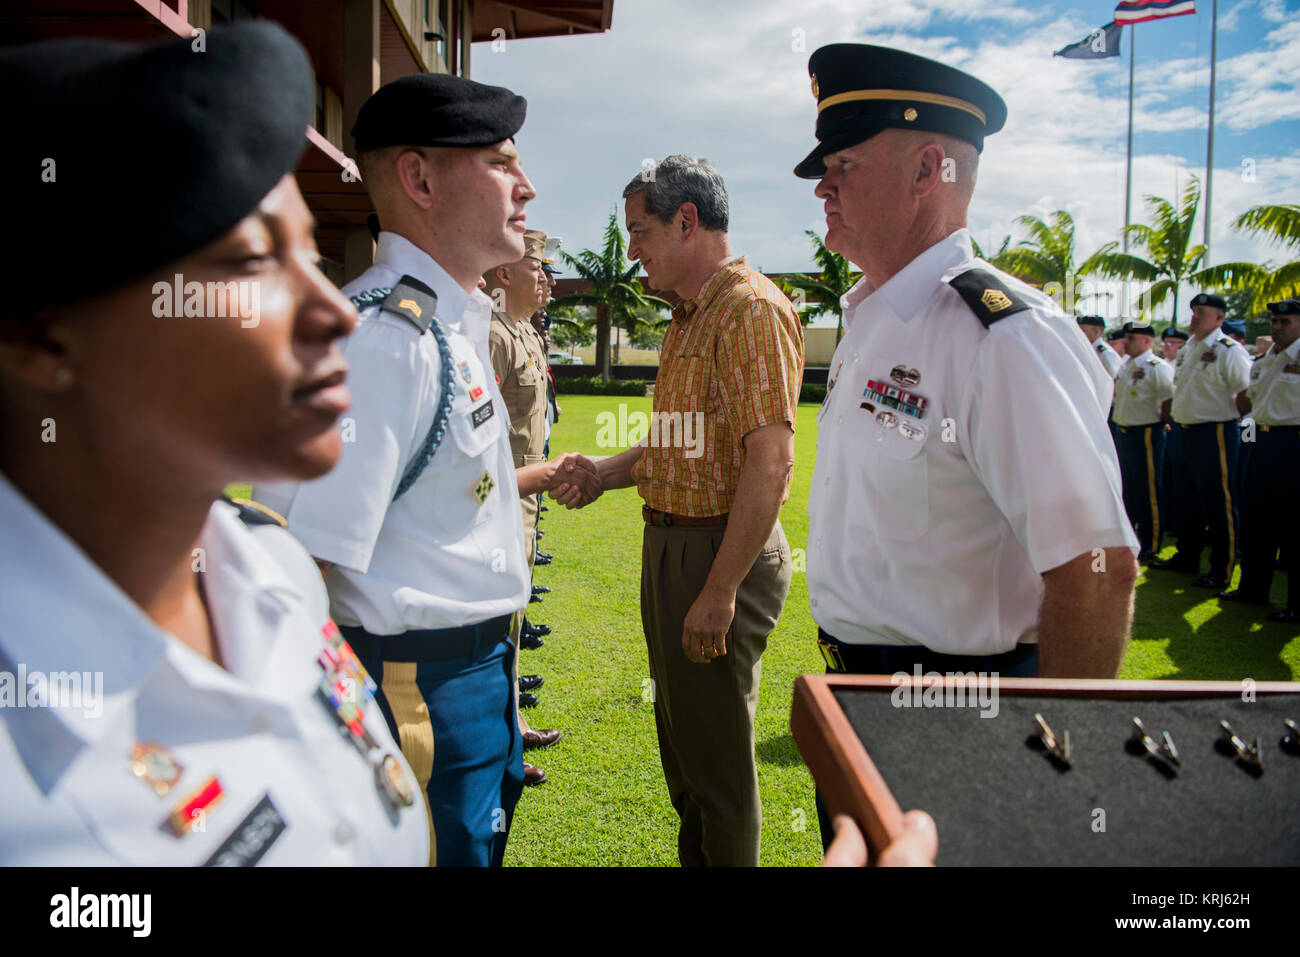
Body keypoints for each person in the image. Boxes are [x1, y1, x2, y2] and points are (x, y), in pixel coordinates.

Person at [0, 22, 427, 864]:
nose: (335, 311)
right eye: (246, 262)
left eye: (309, 252)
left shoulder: (272, 571)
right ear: (41, 340)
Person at [252, 72, 600, 866]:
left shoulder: (448, 320)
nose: (528, 186)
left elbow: (442, 504)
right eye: (503, 163)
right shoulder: (384, 340)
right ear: (418, 178)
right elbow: (299, 565)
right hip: (415, 688)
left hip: (478, 679)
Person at [794, 44, 1138, 846]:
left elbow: (1097, 568)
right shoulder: (872, 317)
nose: (822, 184)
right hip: (858, 703)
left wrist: (1048, 761)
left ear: (928, 170)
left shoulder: (1002, 337)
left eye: (844, 161)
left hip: (961, 717)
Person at [587, 155, 804, 867]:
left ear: (687, 221)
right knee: (685, 754)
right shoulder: (690, 314)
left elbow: (769, 463)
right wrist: (605, 472)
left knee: (716, 772)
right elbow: (681, 440)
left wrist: (719, 589)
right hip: (675, 546)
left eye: (639, 230)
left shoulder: (747, 310)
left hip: (717, 554)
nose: (632, 248)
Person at [485, 229, 565, 786]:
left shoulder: (524, 333)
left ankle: (511, 725)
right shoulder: (492, 336)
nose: (544, 277)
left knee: (513, 624)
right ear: (504, 274)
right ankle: (500, 746)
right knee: (496, 627)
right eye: (534, 266)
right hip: (502, 501)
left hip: (527, 503)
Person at [1149, 293, 1252, 589]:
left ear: (1219, 319)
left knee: (1218, 502)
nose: (1194, 316)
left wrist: (1230, 419)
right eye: (1193, 311)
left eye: (1202, 312)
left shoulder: (1228, 350)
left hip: (1214, 432)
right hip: (1184, 432)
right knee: (1187, 500)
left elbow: (1246, 393)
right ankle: (1187, 556)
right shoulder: (1189, 348)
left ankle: (1221, 569)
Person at [1218, 298, 1300, 623]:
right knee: (1256, 518)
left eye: (1285, 322)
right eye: (1275, 322)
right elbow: (1250, 403)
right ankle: (1253, 589)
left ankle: (1297, 604)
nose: (1277, 327)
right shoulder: (1266, 359)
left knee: (1294, 525)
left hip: (1292, 443)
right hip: (1259, 438)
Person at [1112, 322, 1175, 561]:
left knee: (1149, 491)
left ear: (1147, 341)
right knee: (1129, 490)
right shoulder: (1128, 365)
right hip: (1125, 431)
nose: (1126, 342)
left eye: (1131, 338)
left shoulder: (1156, 367)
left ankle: (1152, 542)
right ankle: (1133, 540)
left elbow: (1169, 399)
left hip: (1147, 432)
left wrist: (1164, 422)